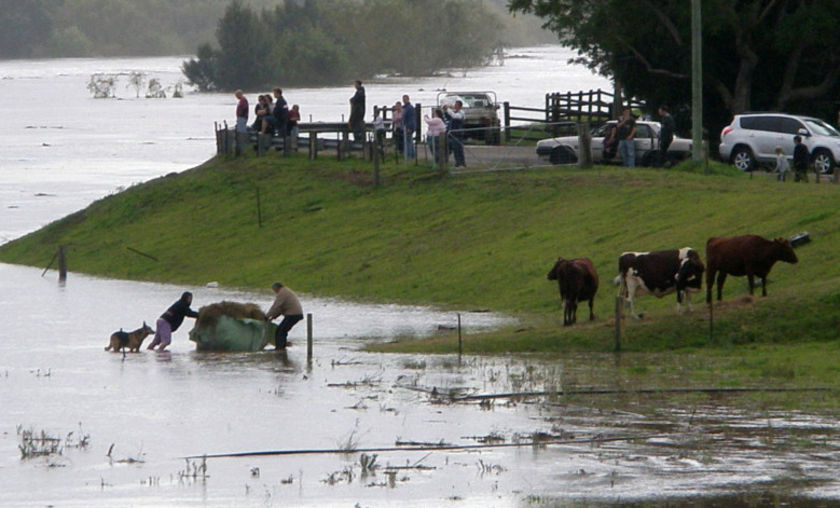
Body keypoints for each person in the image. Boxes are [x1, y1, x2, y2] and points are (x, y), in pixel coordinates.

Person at [265, 282, 303, 349]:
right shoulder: (285, 291)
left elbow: (275, 306)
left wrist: (266, 316)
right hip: (294, 314)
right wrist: (273, 317)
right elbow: (280, 309)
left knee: (280, 331)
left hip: (293, 315)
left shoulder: (282, 293)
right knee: (281, 330)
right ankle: (282, 347)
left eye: (274, 290)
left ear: (277, 288)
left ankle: (280, 348)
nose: (274, 292)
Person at [443, 100, 466, 167]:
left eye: (456, 105)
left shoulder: (461, 113)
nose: (455, 106)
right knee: (451, 149)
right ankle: (450, 162)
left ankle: (461, 163)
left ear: (460, 106)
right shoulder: (454, 112)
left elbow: (455, 116)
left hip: (458, 134)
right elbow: (448, 116)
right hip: (452, 133)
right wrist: (445, 110)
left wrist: (448, 109)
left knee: (458, 149)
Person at [402, 95, 417, 160]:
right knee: (409, 141)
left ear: (408, 99)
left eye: (405, 99)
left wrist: (410, 128)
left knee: (408, 142)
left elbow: (412, 119)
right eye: (403, 99)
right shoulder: (405, 108)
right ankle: (412, 155)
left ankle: (409, 156)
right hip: (405, 126)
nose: (404, 101)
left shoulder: (410, 108)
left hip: (409, 127)